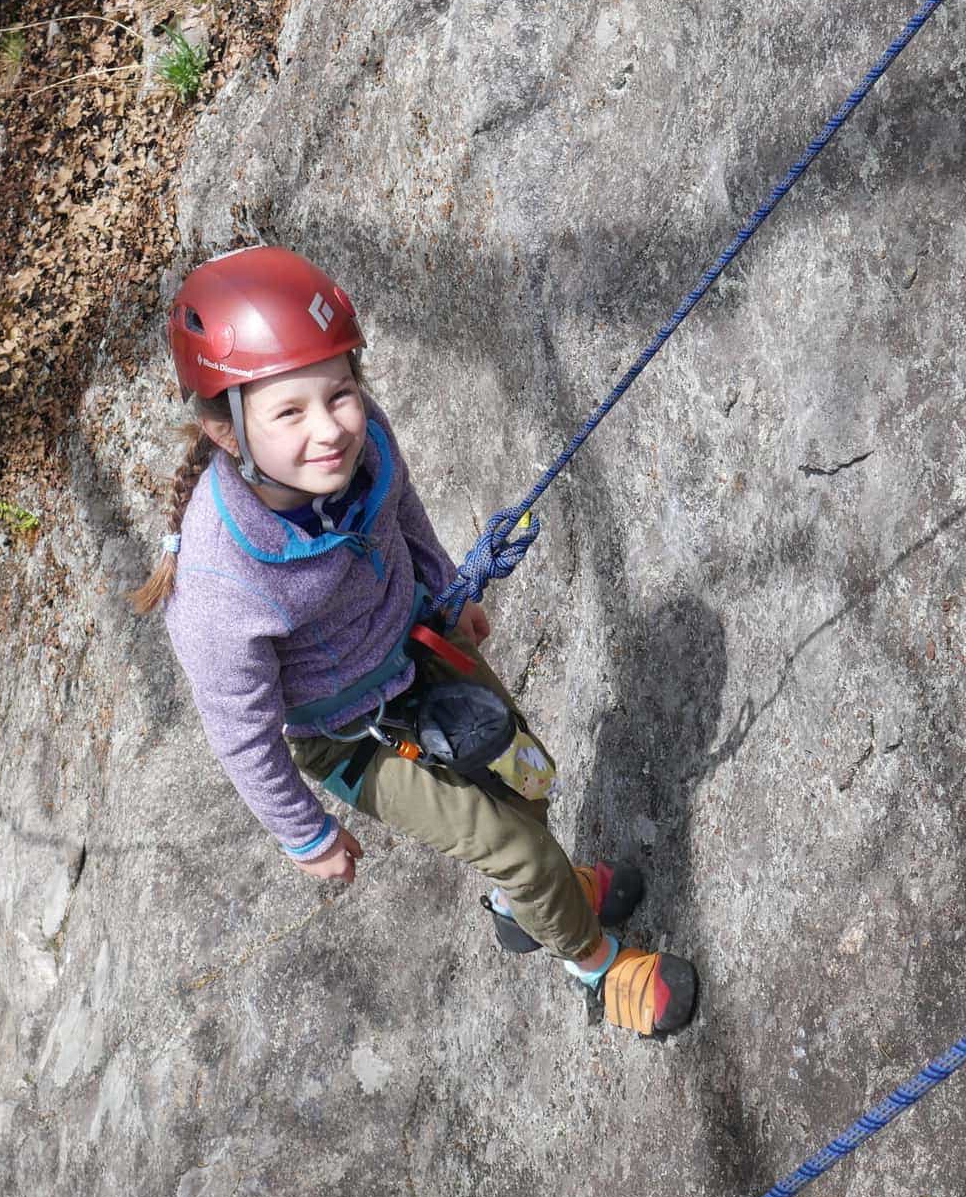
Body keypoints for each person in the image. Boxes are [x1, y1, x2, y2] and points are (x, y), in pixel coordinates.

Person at [130, 245, 697, 1038]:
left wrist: (443, 588)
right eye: (288, 412)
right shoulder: (222, 585)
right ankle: (595, 966)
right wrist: (306, 832)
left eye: (340, 393)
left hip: (418, 644)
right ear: (226, 431)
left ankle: (529, 902)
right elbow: (239, 732)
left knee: (526, 773)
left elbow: (402, 511)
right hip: (352, 738)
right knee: (518, 848)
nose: (329, 429)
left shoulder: (360, 443)